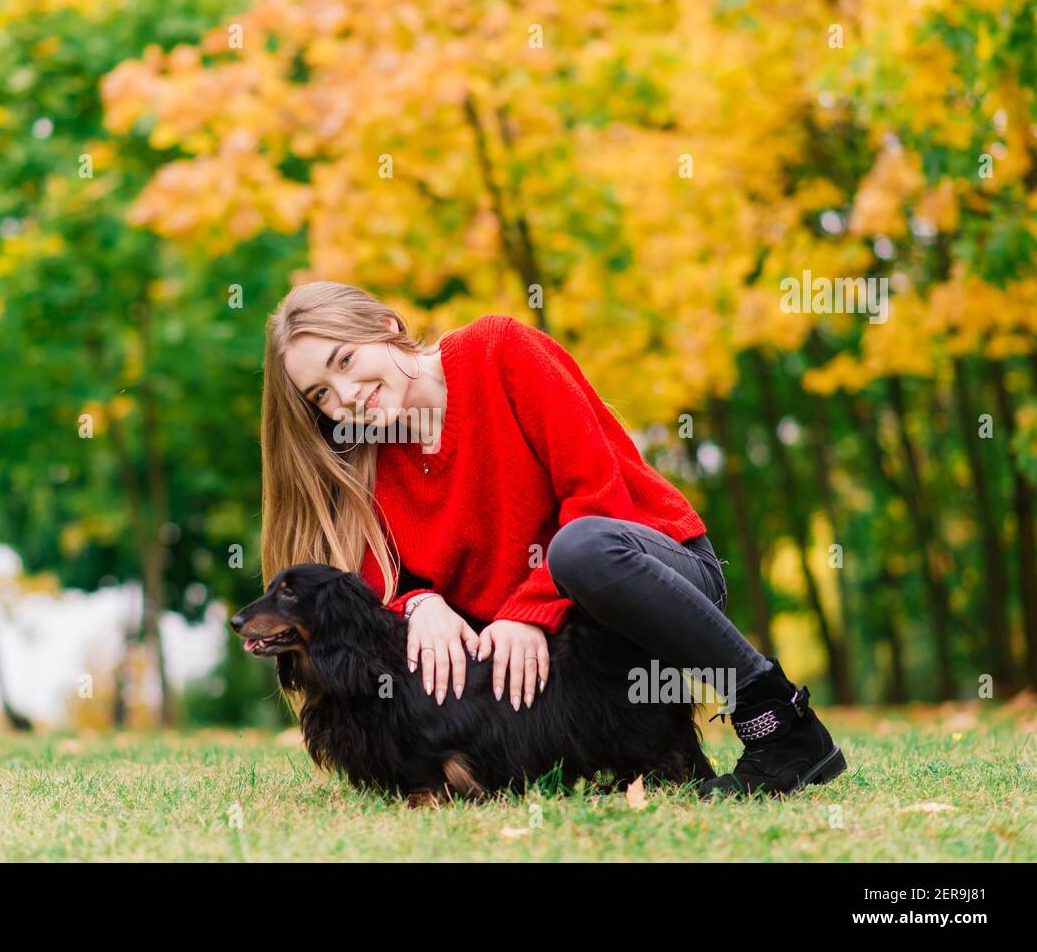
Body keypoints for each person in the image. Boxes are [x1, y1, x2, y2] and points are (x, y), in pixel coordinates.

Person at [259, 280, 846, 797]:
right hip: (558, 655)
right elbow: (374, 585)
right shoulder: (365, 464)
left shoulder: (500, 351)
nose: (345, 397)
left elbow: (598, 499)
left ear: (388, 327)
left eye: (343, 361)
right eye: (321, 396)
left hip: (647, 578)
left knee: (582, 549)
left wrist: (527, 611)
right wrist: (419, 603)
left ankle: (778, 721)